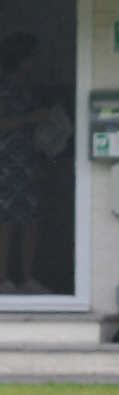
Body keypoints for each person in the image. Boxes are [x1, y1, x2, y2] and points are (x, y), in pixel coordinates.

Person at [0, 32, 49, 294]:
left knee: (31, 218)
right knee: (6, 220)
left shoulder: (31, 86)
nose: (37, 59)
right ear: (20, 58)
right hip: (6, 163)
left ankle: (28, 277)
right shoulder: (4, 87)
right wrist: (30, 118)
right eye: (32, 55)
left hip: (28, 161)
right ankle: (3, 279)